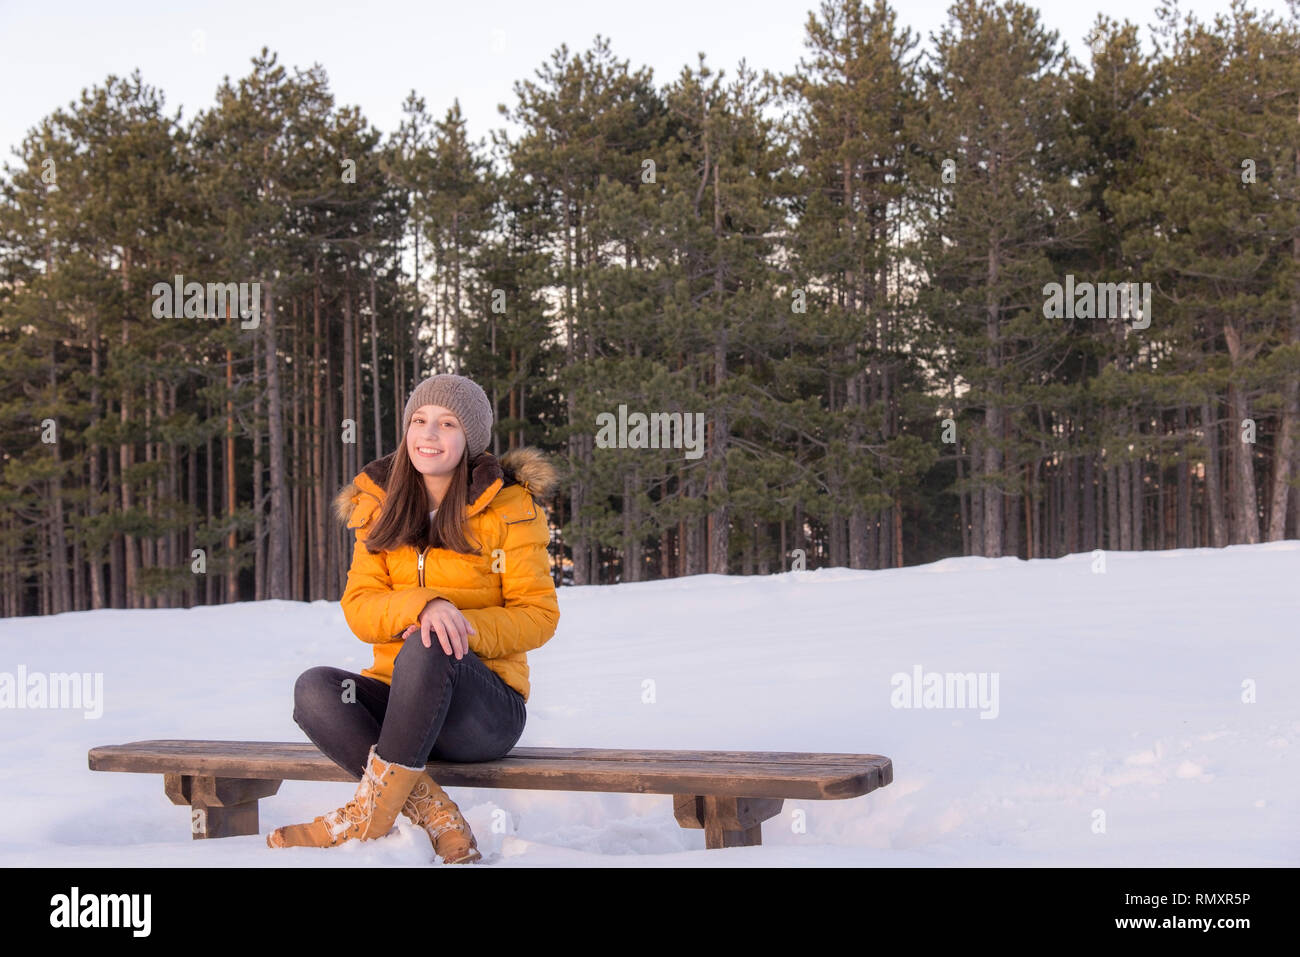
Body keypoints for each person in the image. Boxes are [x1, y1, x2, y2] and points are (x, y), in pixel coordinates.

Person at [266, 373, 560, 863]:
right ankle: (437, 815)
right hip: (401, 702)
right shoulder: (378, 508)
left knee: (431, 642)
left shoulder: (510, 508)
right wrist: (424, 604)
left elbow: (539, 616)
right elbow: (360, 609)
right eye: (419, 421)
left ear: (470, 440)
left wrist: (456, 626)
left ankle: (366, 816)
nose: (428, 434)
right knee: (314, 688)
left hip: (482, 713)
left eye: (447, 424)